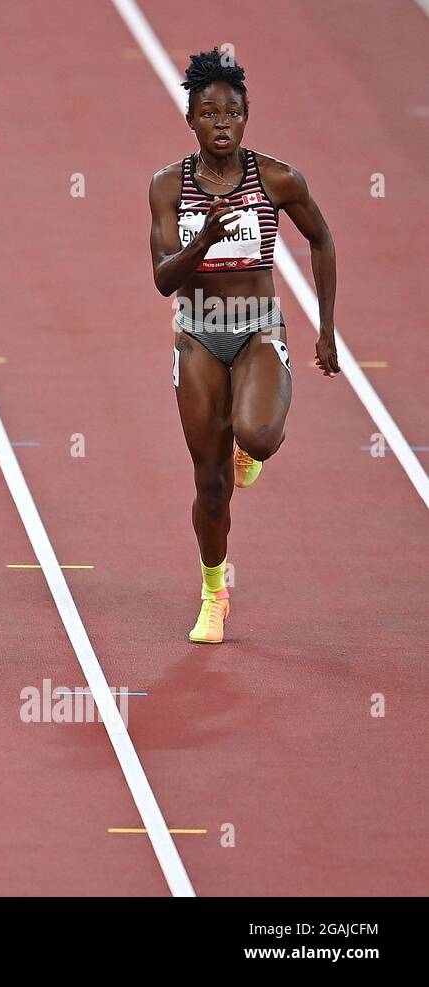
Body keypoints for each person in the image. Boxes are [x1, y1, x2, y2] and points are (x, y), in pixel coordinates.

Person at [148, 48, 340, 643]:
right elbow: (162, 280)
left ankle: (249, 448)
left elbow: (323, 240)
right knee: (209, 481)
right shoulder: (167, 187)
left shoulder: (279, 179)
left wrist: (326, 330)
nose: (222, 124)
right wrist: (202, 239)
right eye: (209, 114)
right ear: (191, 121)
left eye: (233, 112)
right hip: (198, 328)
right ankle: (213, 592)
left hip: (258, 325)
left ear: (247, 114)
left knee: (256, 434)